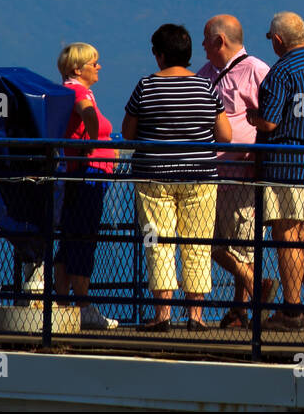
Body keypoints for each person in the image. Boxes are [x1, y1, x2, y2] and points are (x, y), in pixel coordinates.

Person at [122, 24, 232, 331]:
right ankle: (195, 317)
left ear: (159, 56)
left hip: (153, 177)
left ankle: (162, 315)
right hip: (200, 176)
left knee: (159, 243)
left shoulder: (146, 86)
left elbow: (128, 134)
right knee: (196, 244)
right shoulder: (206, 87)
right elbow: (225, 135)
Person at [249, 12, 304, 332]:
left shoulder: (281, 72)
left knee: (286, 234)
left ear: (277, 40)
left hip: (286, 163)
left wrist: (252, 118)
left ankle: (290, 311)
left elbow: (270, 122)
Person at [195, 14, 279, 329]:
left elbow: (272, 117)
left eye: (205, 39)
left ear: (220, 40)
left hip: (243, 171)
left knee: (240, 243)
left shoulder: (257, 71)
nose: (201, 45)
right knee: (211, 242)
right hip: (211, 172)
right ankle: (255, 286)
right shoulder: (204, 74)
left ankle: (239, 310)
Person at [54, 42, 119, 330]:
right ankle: (82, 306)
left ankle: (64, 304)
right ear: (78, 69)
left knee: (72, 238)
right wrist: (94, 142)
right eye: (94, 63)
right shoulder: (79, 92)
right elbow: (87, 114)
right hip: (87, 175)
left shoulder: (76, 90)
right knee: (83, 237)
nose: (99, 66)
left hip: (82, 173)